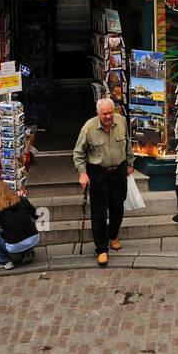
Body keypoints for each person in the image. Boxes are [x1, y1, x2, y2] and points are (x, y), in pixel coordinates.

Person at [73, 98, 131, 267]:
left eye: (111, 112)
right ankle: (101, 249)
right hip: (98, 173)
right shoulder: (89, 127)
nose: (108, 116)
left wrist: (130, 163)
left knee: (118, 207)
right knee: (98, 212)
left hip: (119, 171)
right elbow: (78, 152)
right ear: (98, 113)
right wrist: (83, 174)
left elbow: (127, 143)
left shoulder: (121, 121)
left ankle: (113, 235)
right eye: (105, 113)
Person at [0, 180, 41, 270]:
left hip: (14, 245)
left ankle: (4, 260)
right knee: (20, 225)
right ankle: (27, 250)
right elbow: (35, 215)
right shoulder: (22, 199)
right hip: (34, 238)